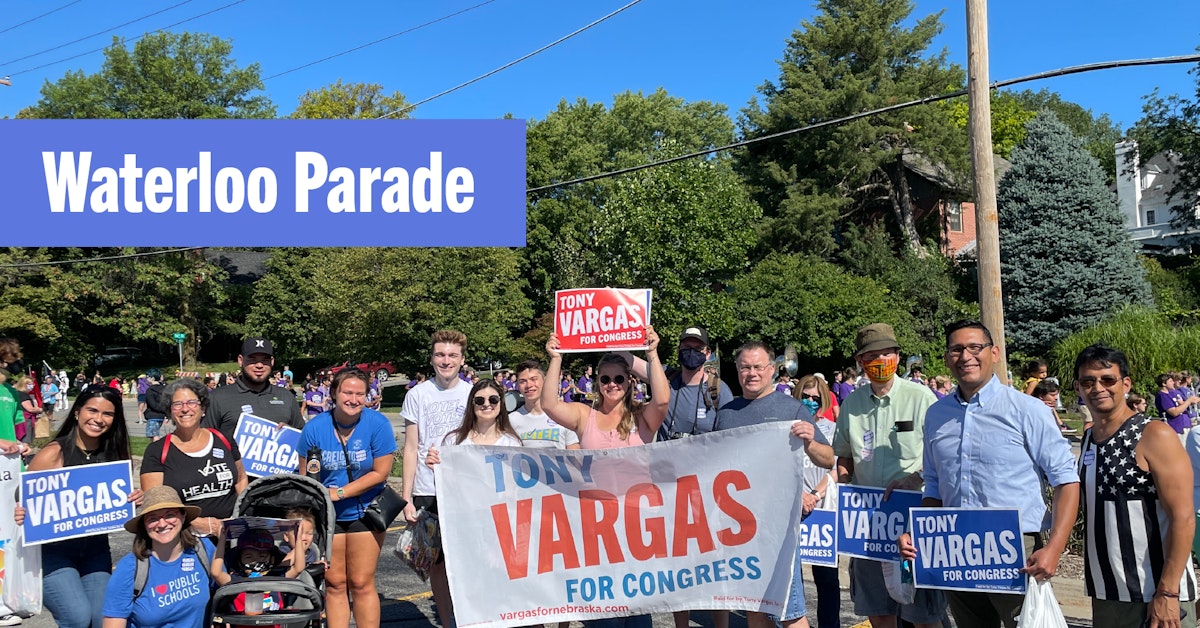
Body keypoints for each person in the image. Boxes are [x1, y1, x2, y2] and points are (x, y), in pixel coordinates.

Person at [898, 320, 1079, 628]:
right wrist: (917, 532)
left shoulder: (1027, 410)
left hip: (1014, 547)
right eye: (956, 349)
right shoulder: (937, 415)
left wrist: (1055, 548)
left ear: (994, 353)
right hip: (954, 544)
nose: (965, 356)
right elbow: (935, 488)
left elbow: (1066, 480)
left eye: (975, 347)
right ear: (946, 358)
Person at [542, 327, 669, 628]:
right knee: (604, 616)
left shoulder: (642, 418)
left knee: (638, 614)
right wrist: (556, 358)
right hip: (597, 532)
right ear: (597, 382)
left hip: (637, 527)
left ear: (630, 382)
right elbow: (549, 404)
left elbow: (662, 401)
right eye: (605, 379)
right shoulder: (584, 416)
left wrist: (652, 354)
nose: (612, 385)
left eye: (619, 379)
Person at [1075, 344, 1197, 626]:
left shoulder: (1154, 434)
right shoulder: (1090, 438)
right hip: (1110, 593)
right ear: (1078, 387)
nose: (1098, 388)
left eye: (1108, 380)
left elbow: (1184, 516)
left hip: (1156, 594)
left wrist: (1168, 591)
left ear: (1126, 384)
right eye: (1088, 381)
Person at [713, 341, 832, 628]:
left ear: (771, 370)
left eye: (757, 367)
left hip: (779, 531)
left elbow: (828, 459)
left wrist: (809, 441)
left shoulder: (792, 409)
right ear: (737, 370)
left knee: (790, 614)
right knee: (755, 609)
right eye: (745, 367)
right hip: (739, 529)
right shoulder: (726, 414)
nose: (751, 373)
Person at [833, 323, 944, 628]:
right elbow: (845, 456)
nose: (881, 361)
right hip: (868, 522)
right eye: (872, 356)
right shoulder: (852, 404)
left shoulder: (921, 398)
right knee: (879, 610)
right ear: (860, 362)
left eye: (887, 353)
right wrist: (842, 486)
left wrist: (916, 478)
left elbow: (941, 455)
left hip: (912, 520)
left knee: (922, 614)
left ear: (897, 356)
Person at [13, 387, 143, 628]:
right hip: (54, 554)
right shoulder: (54, 453)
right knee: (76, 617)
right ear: (77, 412)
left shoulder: (115, 454)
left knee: (100, 617)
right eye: (92, 410)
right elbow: (25, 496)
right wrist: (21, 512)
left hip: (95, 551)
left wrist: (136, 497)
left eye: (107, 414)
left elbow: (119, 501)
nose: (98, 419)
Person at [298, 368, 397, 628]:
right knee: (335, 583)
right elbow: (305, 477)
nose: (353, 399)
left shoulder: (378, 424)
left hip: (366, 511)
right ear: (334, 393)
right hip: (328, 515)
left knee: (362, 582)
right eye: (347, 392)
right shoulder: (315, 428)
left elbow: (381, 473)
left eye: (360, 394)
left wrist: (339, 493)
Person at [400, 330, 470, 628]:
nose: (446, 361)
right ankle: (447, 622)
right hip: (427, 490)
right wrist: (406, 496)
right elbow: (411, 447)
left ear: (462, 360)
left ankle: (471, 618)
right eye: (440, 355)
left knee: (467, 561)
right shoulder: (417, 394)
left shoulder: (472, 393)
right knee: (437, 564)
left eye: (452, 355)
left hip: (466, 489)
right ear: (432, 358)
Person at [140, 378, 248, 539]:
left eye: (192, 402)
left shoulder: (223, 439)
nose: (185, 409)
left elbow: (240, 480)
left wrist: (240, 516)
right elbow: (154, 504)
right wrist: (202, 524)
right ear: (170, 411)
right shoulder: (157, 451)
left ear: (203, 408)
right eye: (177, 404)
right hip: (186, 539)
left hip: (231, 536)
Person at [102, 485, 216, 628]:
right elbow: (113, 622)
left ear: (183, 515)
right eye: (152, 519)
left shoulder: (202, 549)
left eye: (169, 515)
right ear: (144, 524)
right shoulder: (130, 568)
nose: (162, 524)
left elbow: (223, 591)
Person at [624, 325, 733, 443]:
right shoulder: (664, 378)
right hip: (665, 459)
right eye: (686, 347)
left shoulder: (719, 390)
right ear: (678, 350)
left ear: (707, 354)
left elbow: (728, 439)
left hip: (703, 460)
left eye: (698, 348)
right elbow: (627, 359)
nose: (691, 352)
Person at [792, 374, 839, 628]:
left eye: (815, 398)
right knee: (793, 579)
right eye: (805, 397)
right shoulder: (788, 428)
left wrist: (815, 495)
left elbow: (837, 467)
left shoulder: (831, 429)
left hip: (823, 510)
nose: (810, 401)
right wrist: (799, 495)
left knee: (827, 580)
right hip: (794, 509)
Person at [204, 337, 305, 442]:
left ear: (272, 361)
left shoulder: (286, 396)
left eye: (265, 360)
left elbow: (303, 439)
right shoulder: (217, 397)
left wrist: (290, 434)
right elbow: (202, 441)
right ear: (240, 360)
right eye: (252, 359)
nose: (259, 365)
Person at [510, 359, 580, 449]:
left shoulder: (564, 416)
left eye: (534, 379)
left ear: (544, 380)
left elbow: (574, 454)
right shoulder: (512, 420)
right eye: (523, 381)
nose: (529, 385)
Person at [143, 369, 168, 441]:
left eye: (147, 377)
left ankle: (156, 450)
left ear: (152, 378)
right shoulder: (164, 389)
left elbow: (152, 404)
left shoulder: (150, 390)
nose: (146, 379)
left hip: (153, 416)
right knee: (154, 434)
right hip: (161, 416)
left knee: (154, 435)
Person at [14, 375, 39, 444]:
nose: (33, 386)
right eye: (30, 384)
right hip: (26, 420)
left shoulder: (17, 393)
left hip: (20, 419)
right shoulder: (23, 395)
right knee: (25, 441)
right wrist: (40, 410)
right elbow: (30, 409)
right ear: (24, 384)